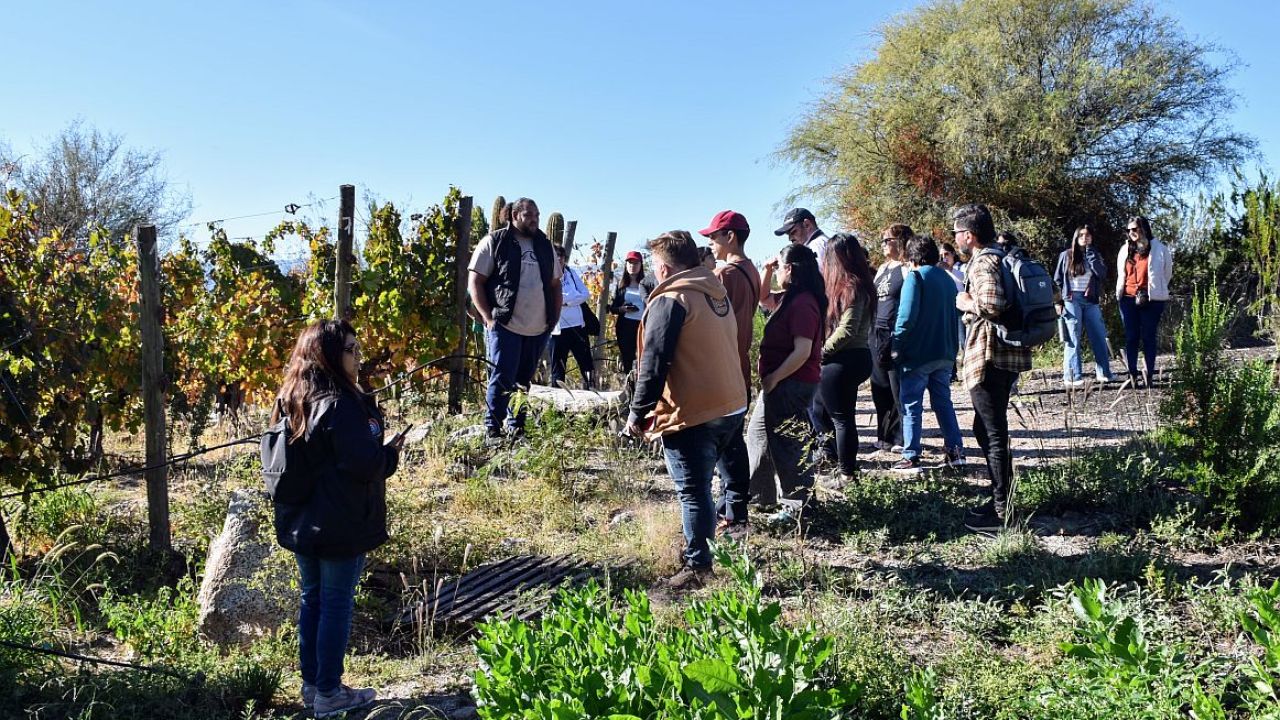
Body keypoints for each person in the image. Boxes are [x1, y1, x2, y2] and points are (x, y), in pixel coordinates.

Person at [269, 320, 403, 718]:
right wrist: (392, 454)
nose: (358, 357)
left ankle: (313, 686)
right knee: (336, 604)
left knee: (313, 601)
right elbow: (363, 462)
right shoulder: (340, 403)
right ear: (328, 352)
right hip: (340, 521)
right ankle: (329, 692)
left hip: (300, 520)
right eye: (350, 349)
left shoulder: (290, 397)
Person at [626, 231, 747, 590]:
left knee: (693, 491)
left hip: (695, 409)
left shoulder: (673, 299)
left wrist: (637, 414)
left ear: (663, 268)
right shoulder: (714, 293)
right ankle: (710, 549)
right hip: (731, 402)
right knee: (707, 486)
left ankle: (698, 568)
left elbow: (654, 361)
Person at [953, 204, 1031, 532]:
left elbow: (993, 304)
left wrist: (966, 302)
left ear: (969, 236)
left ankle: (1003, 512)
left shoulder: (983, 262)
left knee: (994, 433)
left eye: (957, 233)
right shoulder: (1001, 257)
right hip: (1008, 356)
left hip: (989, 355)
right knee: (985, 429)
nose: (955, 238)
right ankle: (1002, 496)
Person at [468, 197, 563, 440]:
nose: (534, 220)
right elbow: (475, 281)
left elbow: (554, 284)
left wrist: (553, 318)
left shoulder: (544, 245)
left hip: (537, 326)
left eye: (537, 215)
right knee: (501, 377)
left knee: (523, 382)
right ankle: (492, 429)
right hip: (505, 324)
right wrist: (488, 317)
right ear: (514, 216)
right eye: (528, 215)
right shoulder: (495, 242)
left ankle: (516, 427)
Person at [748, 243, 827, 523]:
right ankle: (759, 497)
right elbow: (762, 297)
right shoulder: (789, 298)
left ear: (790, 270)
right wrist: (767, 269)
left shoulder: (804, 303)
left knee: (788, 444)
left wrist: (773, 378)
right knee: (758, 435)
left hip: (791, 384)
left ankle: (799, 507)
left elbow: (802, 351)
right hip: (780, 384)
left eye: (780, 267)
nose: (777, 271)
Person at [700, 210, 761, 535]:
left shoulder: (724, 275)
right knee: (733, 441)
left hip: (723, 367)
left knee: (725, 446)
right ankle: (733, 510)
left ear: (730, 237)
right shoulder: (751, 270)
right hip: (740, 363)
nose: (710, 241)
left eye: (714, 235)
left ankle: (731, 513)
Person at [891, 235, 965, 474]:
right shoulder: (946, 278)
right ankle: (955, 452)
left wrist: (896, 345)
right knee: (943, 402)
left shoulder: (915, 277)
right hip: (945, 352)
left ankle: (911, 455)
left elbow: (906, 317)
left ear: (911, 256)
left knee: (911, 404)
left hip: (918, 353)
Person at [819, 233, 875, 483]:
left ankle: (846, 474)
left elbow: (847, 329)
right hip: (855, 357)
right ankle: (841, 467)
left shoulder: (851, 286)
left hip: (844, 359)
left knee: (842, 419)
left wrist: (820, 352)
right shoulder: (858, 284)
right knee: (832, 414)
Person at [1116, 215, 1173, 388]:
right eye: (1129, 230)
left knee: (1149, 336)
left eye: (1134, 228)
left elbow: (1167, 273)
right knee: (1131, 337)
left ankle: (1149, 374)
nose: (1131, 232)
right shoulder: (1125, 249)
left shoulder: (1160, 249)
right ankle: (1132, 374)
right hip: (1127, 298)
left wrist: (1154, 289)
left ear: (1144, 228)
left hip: (1152, 300)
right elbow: (1121, 273)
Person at [1054, 224, 1115, 386]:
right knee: (1073, 338)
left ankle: (1104, 373)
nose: (1084, 237)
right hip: (1072, 300)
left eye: (1088, 235)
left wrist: (1091, 255)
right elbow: (1057, 280)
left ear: (1092, 237)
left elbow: (1101, 274)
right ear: (1076, 237)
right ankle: (1073, 376)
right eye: (1081, 235)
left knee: (1099, 336)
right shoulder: (1066, 255)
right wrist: (1058, 301)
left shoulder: (1095, 255)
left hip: (1091, 301)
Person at [870, 225, 909, 453]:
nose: (884, 243)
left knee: (898, 389)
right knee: (880, 387)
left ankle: (904, 438)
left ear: (901, 241)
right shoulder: (883, 268)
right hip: (876, 333)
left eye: (888, 239)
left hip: (895, 334)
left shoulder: (905, 269)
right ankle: (884, 437)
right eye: (882, 240)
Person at [549, 244, 595, 389]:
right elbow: (549, 298)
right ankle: (556, 405)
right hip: (558, 330)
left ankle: (592, 392)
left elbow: (585, 294)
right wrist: (572, 297)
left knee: (586, 365)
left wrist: (566, 301)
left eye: (561, 256)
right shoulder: (546, 275)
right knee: (558, 369)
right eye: (555, 255)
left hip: (577, 326)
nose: (558, 258)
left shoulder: (571, 273)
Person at [609, 251, 653, 377]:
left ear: (641, 265)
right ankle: (629, 384)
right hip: (625, 325)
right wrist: (622, 309)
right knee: (627, 357)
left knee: (643, 356)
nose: (632, 266)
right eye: (629, 263)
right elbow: (613, 308)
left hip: (643, 325)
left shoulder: (647, 284)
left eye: (635, 263)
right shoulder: (620, 285)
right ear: (626, 265)